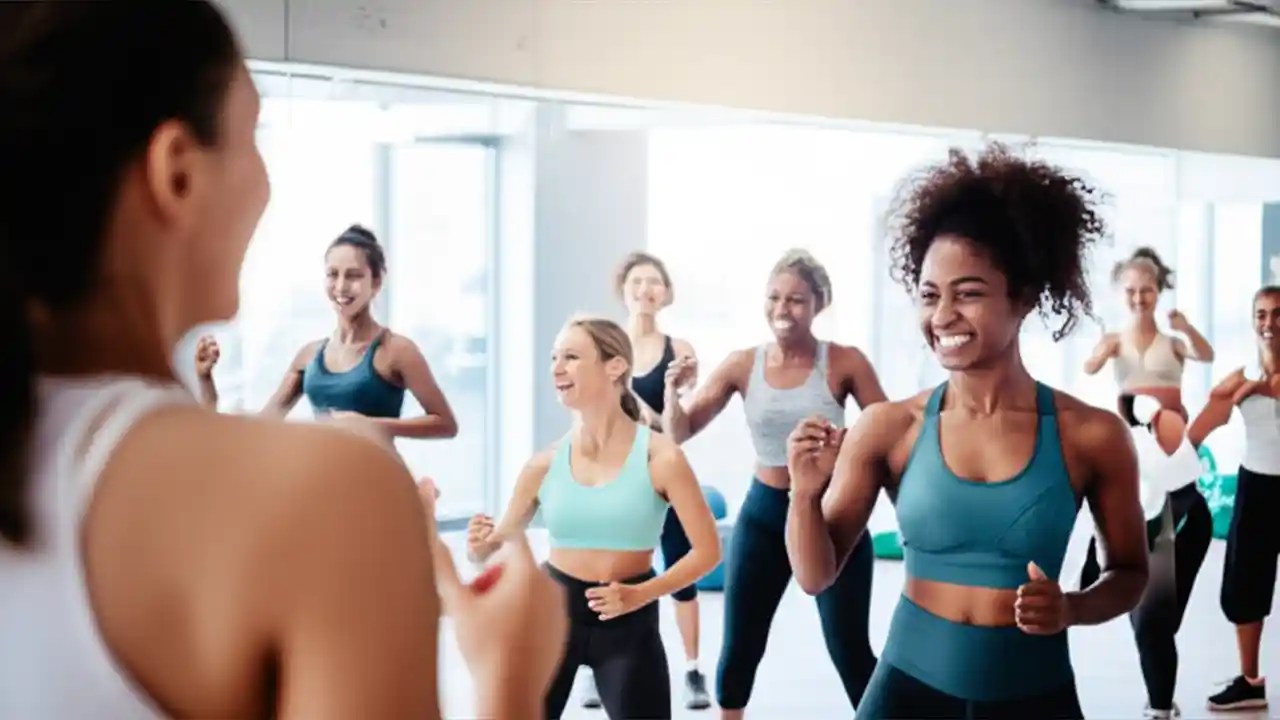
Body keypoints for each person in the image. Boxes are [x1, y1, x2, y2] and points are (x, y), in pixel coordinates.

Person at [0, 3, 565, 718]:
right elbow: (259, 422)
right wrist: (510, 679)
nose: (264, 180)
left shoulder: (383, 375)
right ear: (176, 171)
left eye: (352, 275)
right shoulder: (331, 491)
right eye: (253, 135)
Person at [786, 144, 1149, 719]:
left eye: (969, 293)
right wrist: (804, 493)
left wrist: (1071, 609)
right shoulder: (888, 427)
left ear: (1024, 298)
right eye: (930, 295)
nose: (943, 315)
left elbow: (1130, 573)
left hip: (1035, 697)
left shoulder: (1092, 435)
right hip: (907, 693)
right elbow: (815, 575)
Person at [663, 249, 887, 718]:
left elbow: (889, 432)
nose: (783, 310)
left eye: (797, 300)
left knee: (849, 648)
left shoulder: (844, 362)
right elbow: (679, 431)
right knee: (742, 644)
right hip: (764, 513)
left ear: (819, 303)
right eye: (775, 298)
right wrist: (672, 392)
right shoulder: (743, 364)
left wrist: (853, 455)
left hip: (832, 516)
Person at [467, 316, 722, 720]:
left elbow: (708, 552)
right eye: (554, 358)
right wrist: (481, 545)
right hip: (550, 614)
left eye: (571, 357)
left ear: (615, 366)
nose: (556, 368)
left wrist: (641, 594)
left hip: (629, 619)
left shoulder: (662, 458)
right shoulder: (544, 463)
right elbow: (494, 546)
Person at [576, 251, 711, 711]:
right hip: (613, 474)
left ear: (667, 293)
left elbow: (674, 432)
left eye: (655, 282)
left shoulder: (681, 351)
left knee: (681, 569)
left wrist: (659, 393)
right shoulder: (601, 346)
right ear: (624, 289)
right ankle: (594, 667)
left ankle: (693, 670)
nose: (646, 290)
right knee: (603, 571)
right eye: (637, 281)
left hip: (661, 476)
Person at [194, 224, 458, 443]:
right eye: (333, 275)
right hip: (323, 487)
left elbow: (445, 424)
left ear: (376, 282)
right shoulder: (309, 355)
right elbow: (265, 423)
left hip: (379, 486)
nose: (341, 286)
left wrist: (370, 424)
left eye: (353, 276)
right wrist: (206, 380)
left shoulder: (396, 350)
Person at [1079, 394, 1211, 720]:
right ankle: (1161, 704)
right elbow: (1106, 510)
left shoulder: (1160, 439)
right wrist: (1092, 565)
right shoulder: (1113, 442)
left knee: (1154, 624)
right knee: (1151, 624)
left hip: (1181, 521)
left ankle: (1160, 706)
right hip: (1145, 521)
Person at [1188, 285, 1280, 712]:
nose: (1269, 323)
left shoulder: (1257, 386)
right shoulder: (1242, 377)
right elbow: (1197, 433)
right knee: (1244, 584)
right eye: (1261, 314)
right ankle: (1249, 681)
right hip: (1257, 487)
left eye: (1278, 314)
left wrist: (1263, 392)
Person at [1083, 247, 1214, 419]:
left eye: (1146, 291)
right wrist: (1101, 356)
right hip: (1131, 435)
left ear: (1158, 291)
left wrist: (1187, 329)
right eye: (1130, 291)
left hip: (1170, 435)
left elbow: (1207, 355)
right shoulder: (1114, 341)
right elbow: (1089, 368)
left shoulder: (1172, 344)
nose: (1138, 299)